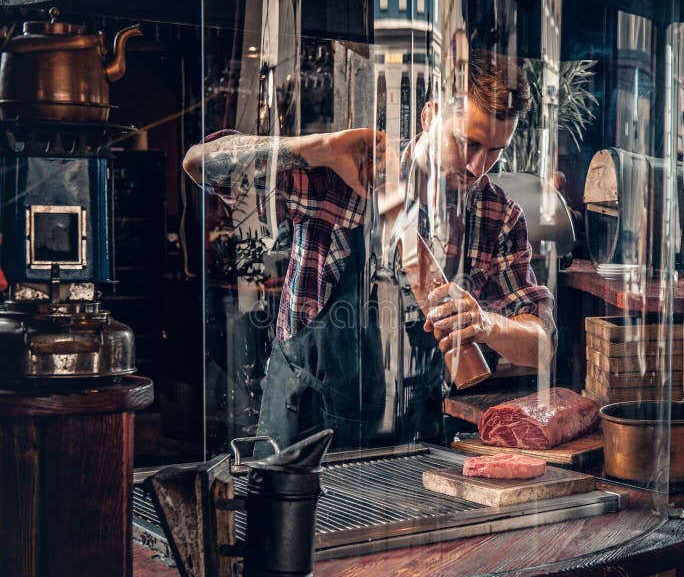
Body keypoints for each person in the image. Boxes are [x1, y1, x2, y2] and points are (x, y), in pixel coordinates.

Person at [183, 49, 555, 451]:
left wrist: (487, 325)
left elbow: (543, 345)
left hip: (415, 439)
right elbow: (199, 164)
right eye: (468, 143)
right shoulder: (349, 175)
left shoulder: (496, 215)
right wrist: (322, 147)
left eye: (496, 151)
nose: (478, 166)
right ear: (430, 116)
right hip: (303, 428)